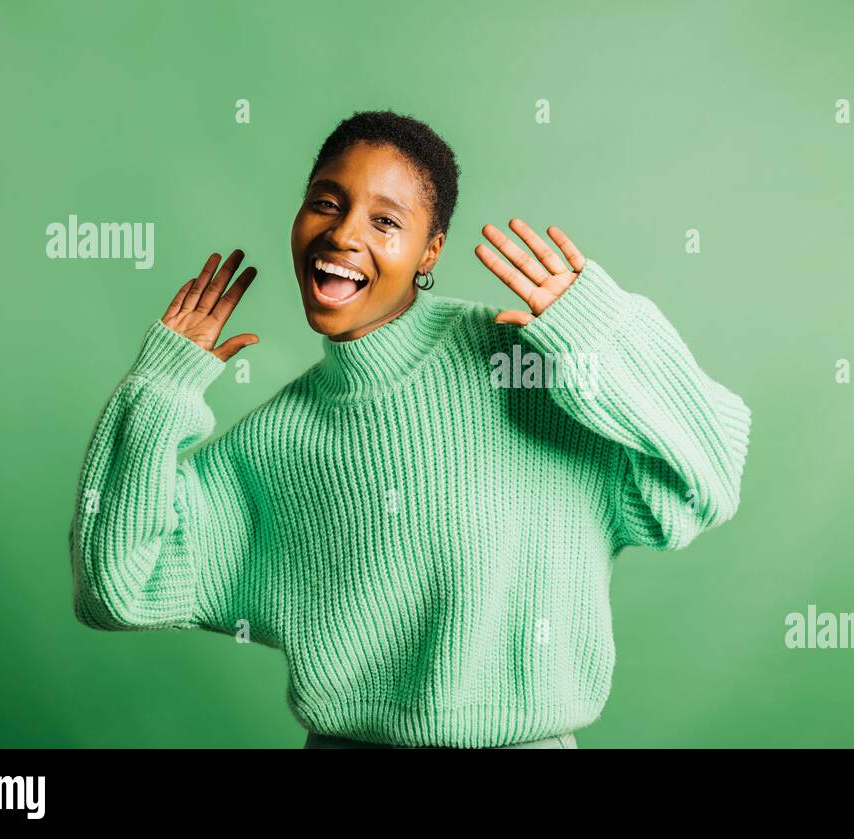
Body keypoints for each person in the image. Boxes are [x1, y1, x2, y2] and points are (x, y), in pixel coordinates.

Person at [68, 109, 752, 749]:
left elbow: (707, 480)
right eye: (326, 203)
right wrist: (159, 388)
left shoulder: (529, 364)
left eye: (386, 221)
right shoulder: (277, 440)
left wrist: (602, 334)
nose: (343, 235)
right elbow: (117, 586)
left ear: (431, 250)